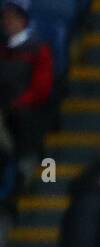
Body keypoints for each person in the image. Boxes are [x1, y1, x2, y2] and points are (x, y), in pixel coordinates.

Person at [0, 0, 52, 178]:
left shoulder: (38, 49)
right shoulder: (2, 48)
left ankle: (35, 177)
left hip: (24, 112)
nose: (6, 22)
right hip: (5, 110)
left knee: (24, 128)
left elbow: (41, 88)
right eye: (4, 18)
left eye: (11, 18)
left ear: (22, 21)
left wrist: (17, 103)